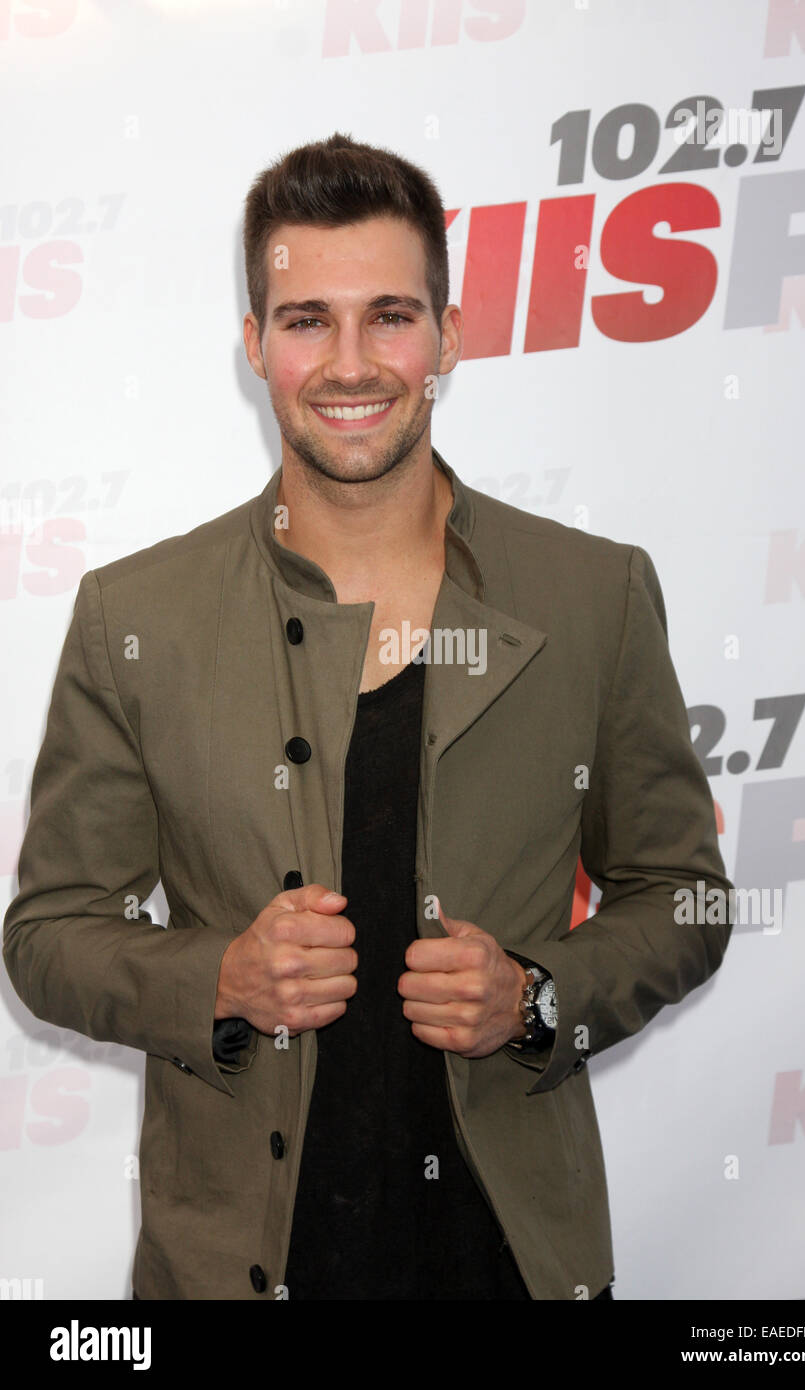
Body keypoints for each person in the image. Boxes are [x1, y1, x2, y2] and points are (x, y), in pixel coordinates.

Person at [3, 132, 733, 1301]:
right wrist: (220, 980)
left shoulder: (590, 594)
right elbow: (45, 934)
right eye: (306, 321)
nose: (351, 363)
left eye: (390, 316)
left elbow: (681, 902)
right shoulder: (133, 615)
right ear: (253, 345)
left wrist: (537, 998)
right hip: (232, 1265)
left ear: (449, 335)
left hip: (508, 1265)